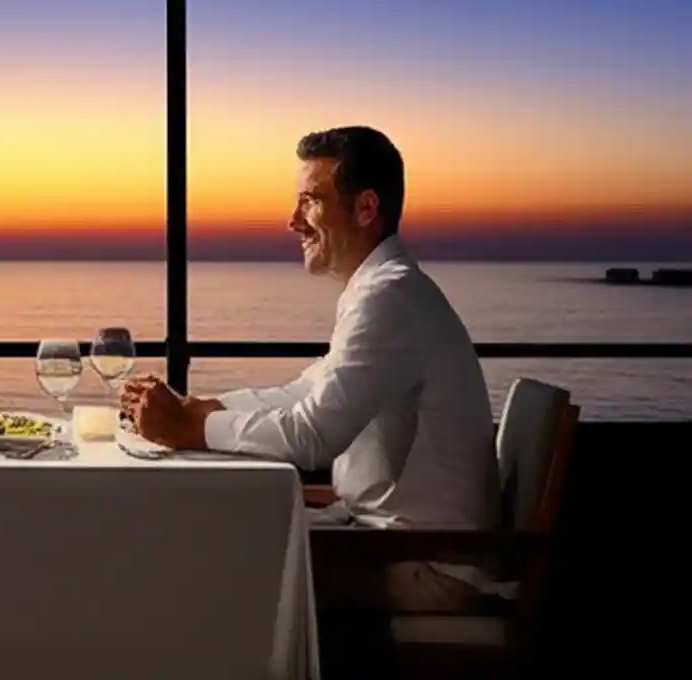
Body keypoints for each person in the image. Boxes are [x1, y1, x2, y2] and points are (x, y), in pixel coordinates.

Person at [121, 126, 500, 613]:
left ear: (366, 208)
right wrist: (202, 408)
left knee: (210, 557)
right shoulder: (385, 290)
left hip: (426, 567)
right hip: (386, 541)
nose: (292, 221)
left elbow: (312, 436)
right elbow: (304, 392)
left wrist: (193, 428)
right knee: (218, 535)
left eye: (309, 201)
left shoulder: (389, 298)